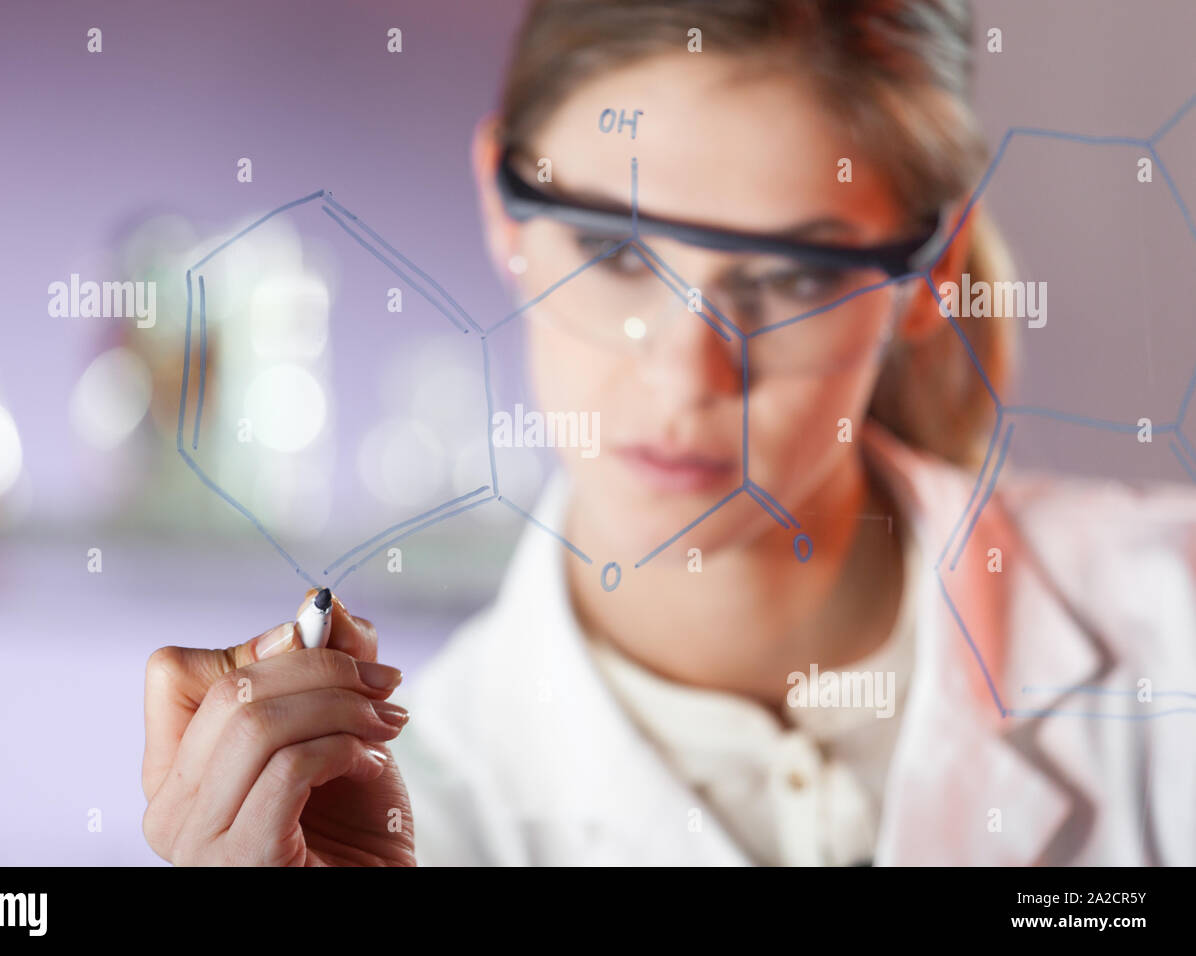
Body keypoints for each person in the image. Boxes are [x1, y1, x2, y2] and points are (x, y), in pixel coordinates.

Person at [139, 0, 1196, 866]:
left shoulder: (1169, 615)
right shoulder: (398, 816)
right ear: (505, 209)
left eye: (792, 274)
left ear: (928, 275)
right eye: (618, 254)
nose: (686, 375)